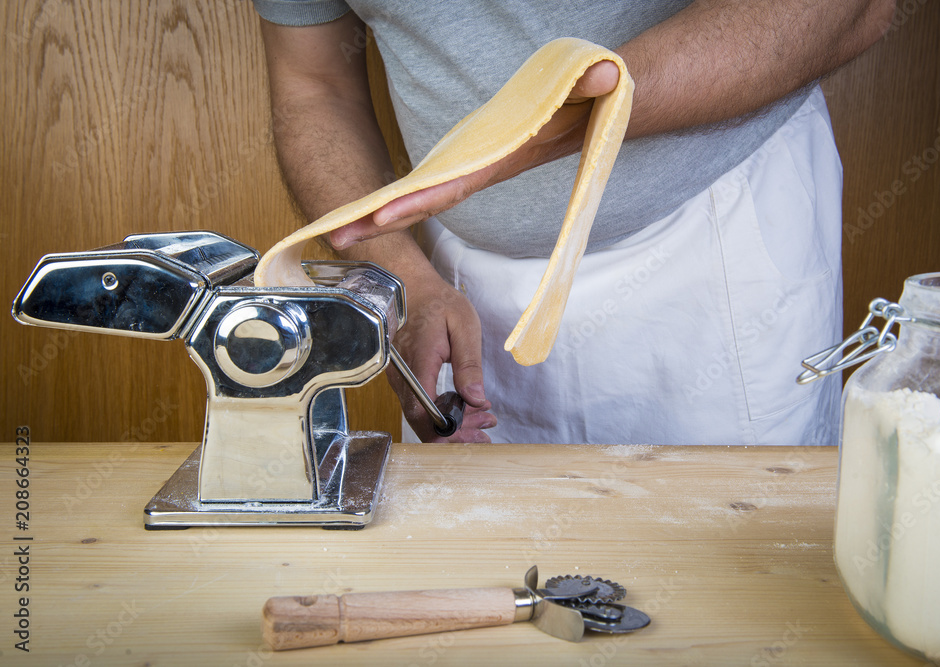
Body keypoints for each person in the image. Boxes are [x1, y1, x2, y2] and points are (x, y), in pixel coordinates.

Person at [250, 0, 896, 445]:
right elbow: (315, 84)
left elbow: (846, 12)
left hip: (715, 242)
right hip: (460, 283)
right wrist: (402, 278)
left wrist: (544, 127)